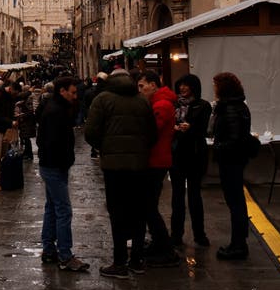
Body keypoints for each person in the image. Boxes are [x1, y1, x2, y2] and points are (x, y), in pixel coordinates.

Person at [85, 67, 156, 278]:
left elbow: (90, 132)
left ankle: (119, 262)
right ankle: (137, 260)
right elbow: (152, 133)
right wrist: (141, 149)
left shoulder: (102, 99)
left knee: (117, 212)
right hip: (139, 164)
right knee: (138, 211)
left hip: (114, 166)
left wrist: (104, 147)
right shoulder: (142, 100)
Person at [37, 76, 90, 272]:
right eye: (73, 92)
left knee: (52, 207)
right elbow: (51, 142)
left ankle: (49, 250)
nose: (76, 96)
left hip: (51, 165)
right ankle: (66, 255)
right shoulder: (55, 112)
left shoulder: (56, 108)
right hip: (54, 166)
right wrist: (63, 161)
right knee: (64, 210)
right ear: (62, 91)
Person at [137, 71, 180, 268]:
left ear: (153, 85)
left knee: (148, 207)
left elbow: (151, 131)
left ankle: (166, 249)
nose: (140, 90)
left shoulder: (161, 105)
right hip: (155, 159)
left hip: (156, 161)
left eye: (142, 86)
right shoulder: (157, 102)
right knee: (148, 206)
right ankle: (158, 243)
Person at [211, 71, 252, 261]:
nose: (214, 89)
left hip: (231, 159)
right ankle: (238, 242)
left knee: (235, 202)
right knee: (236, 201)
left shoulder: (231, 108)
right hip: (235, 159)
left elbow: (234, 138)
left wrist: (218, 147)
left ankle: (238, 245)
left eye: (216, 85)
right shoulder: (237, 106)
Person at [170, 74, 212, 247]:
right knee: (177, 196)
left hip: (195, 154)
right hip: (177, 155)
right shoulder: (174, 104)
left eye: (186, 85)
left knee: (195, 196)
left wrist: (191, 127)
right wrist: (174, 128)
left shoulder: (203, 105)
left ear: (194, 87)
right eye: (181, 85)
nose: (182, 88)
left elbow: (205, 129)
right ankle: (176, 235)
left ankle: (199, 234)